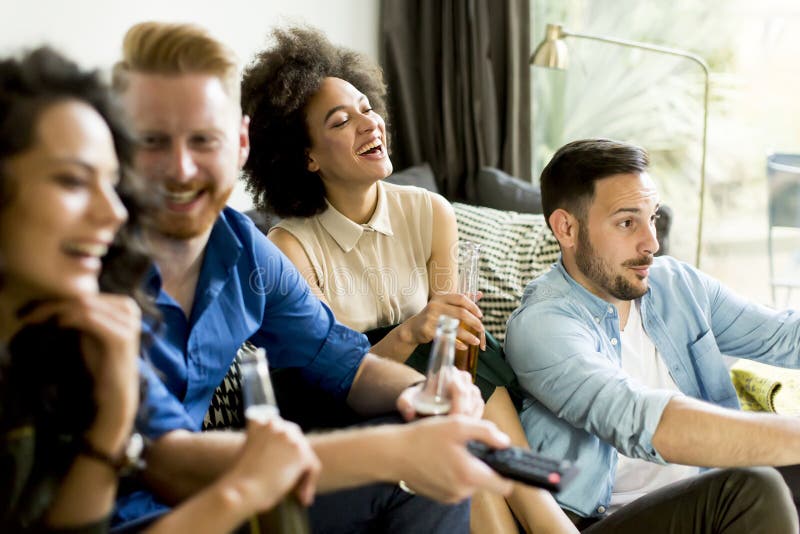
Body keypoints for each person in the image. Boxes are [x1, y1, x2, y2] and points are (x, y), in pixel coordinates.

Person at [110, 21, 515, 532]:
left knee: (425, 463)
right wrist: (393, 449)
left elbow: (347, 365)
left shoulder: (247, 254)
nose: (183, 167)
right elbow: (164, 458)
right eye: (153, 141)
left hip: (229, 499)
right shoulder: (90, 269)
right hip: (140, 510)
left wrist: (422, 393)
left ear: (238, 144)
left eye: (203, 139)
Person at [239, 25, 577, 534]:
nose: (367, 123)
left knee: (467, 365)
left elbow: (454, 338)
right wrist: (412, 332)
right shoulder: (290, 248)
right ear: (305, 157)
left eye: (365, 107)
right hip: (350, 411)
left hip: (441, 394)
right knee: (437, 378)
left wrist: (448, 328)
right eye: (340, 120)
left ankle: (538, 511)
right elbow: (330, 376)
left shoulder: (430, 212)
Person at [0, 47, 320, 533]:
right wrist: (243, 491)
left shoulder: (61, 336)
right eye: (71, 181)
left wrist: (113, 417)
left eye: (111, 184)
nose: (113, 214)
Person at [504, 138, 800, 533]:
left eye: (652, 217)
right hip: (602, 520)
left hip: (698, 493)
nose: (652, 243)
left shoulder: (677, 285)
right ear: (567, 228)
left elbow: (786, 337)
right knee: (754, 485)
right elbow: (641, 419)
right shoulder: (543, 325)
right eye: (627, 223)